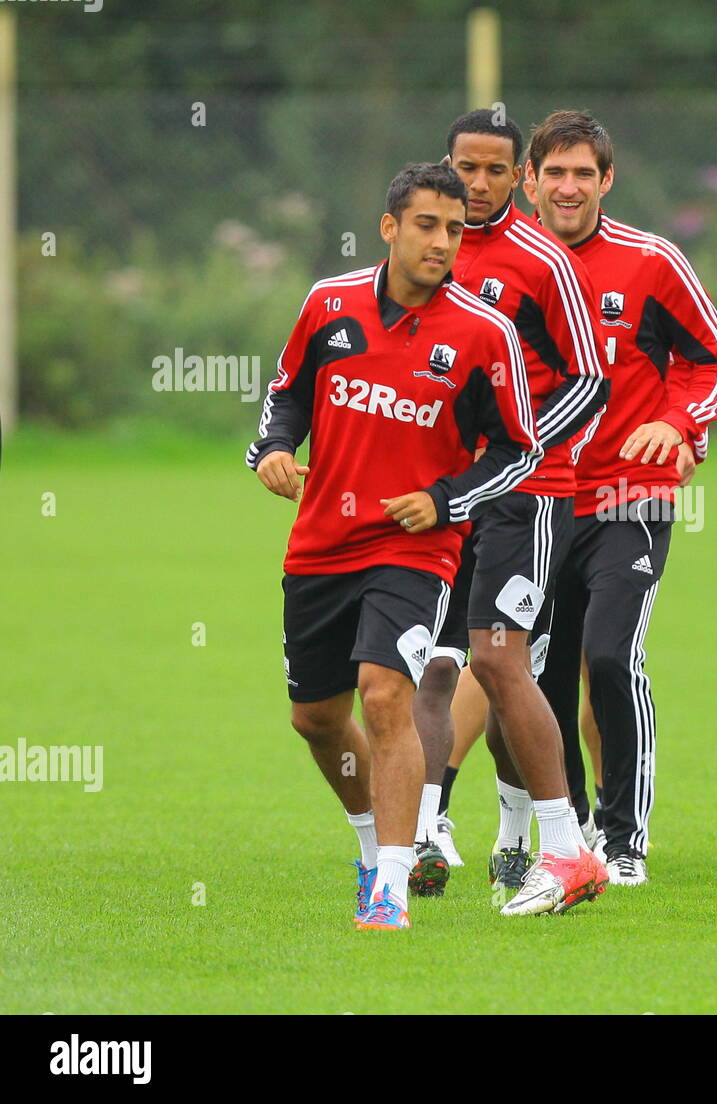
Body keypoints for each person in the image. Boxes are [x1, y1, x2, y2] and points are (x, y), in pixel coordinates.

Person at [246, 162, 541, 929]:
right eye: (427, 225)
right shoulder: (327, 304)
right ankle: (375, 838)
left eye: (454, 229)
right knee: (314, 718)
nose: (443, 241)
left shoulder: (485, 332)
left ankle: (391, 885)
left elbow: (518, 450)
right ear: (390, 228)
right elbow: (287, 396)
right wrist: (274, 450)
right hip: (319, 545)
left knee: (386, 694)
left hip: (416, 549)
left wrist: (442, 500)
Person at [524, 110, 717, 885]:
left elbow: (716, 359)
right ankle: (570, 825)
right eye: (556, 172)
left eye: (585, 173)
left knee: (611, 657)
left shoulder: (652, 262)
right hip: (541, 500)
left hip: (629, 498)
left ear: (607, 180)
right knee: (542, 670)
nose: (570, 186)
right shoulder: (508, 267)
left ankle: (624, 839)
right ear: (531, 180)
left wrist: (680, 425)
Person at [410, 109, 611, 916]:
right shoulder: (429, 253)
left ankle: (560, 844)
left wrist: (516, 450)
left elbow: (591, 380)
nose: (480, 183)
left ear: (516, 176)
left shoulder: (542, 260)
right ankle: (418, 836)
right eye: (467, 168)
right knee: (427, 661)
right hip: (439, 502)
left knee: (499, 664)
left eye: (496, 170)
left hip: (526, 497)